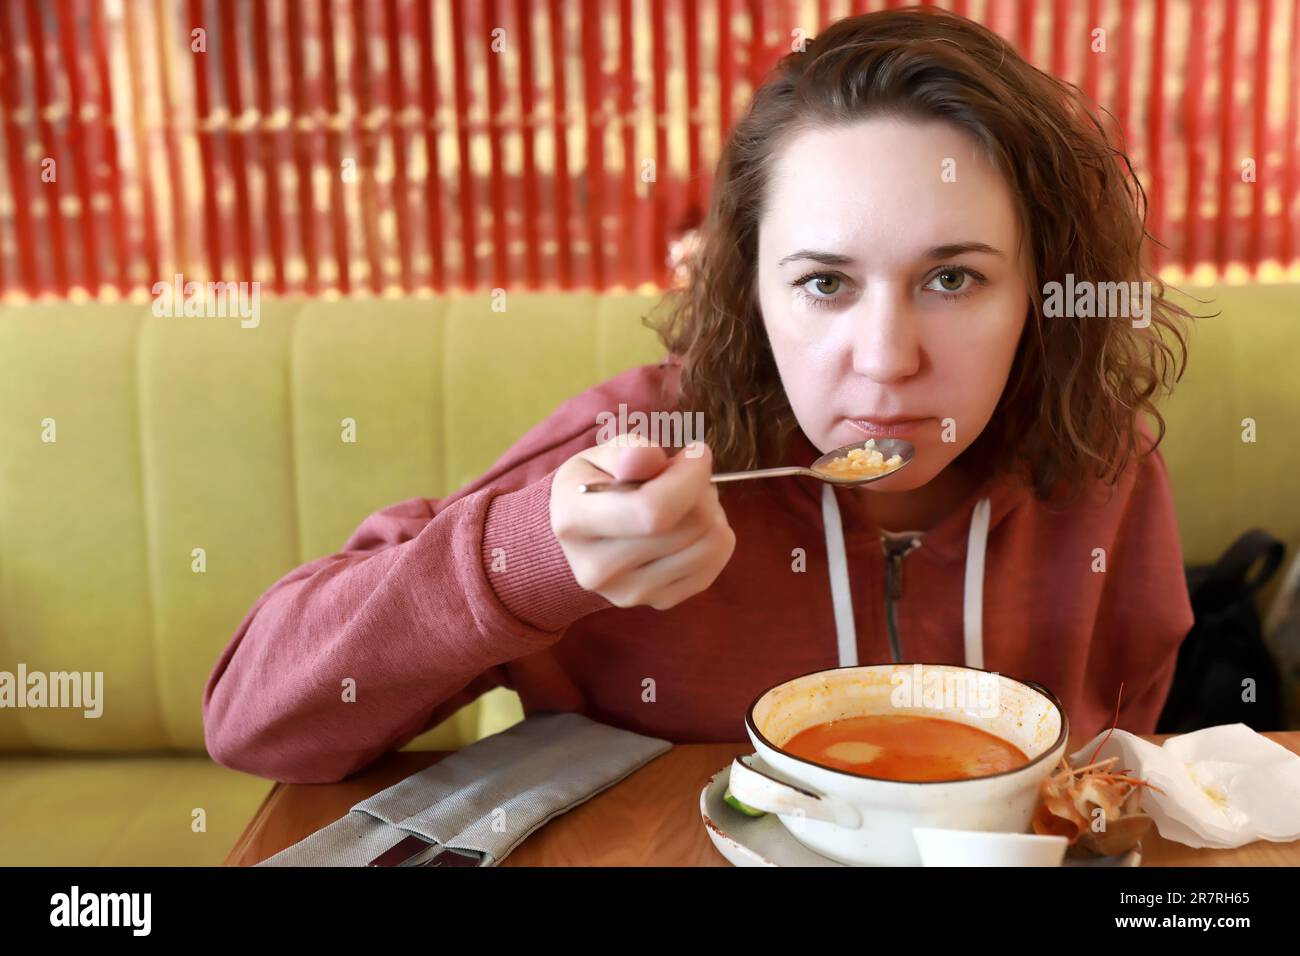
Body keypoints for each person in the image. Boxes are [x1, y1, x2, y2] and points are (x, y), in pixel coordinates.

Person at [204, 7, 1196, 784]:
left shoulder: (1103, 467)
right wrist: (526, 559)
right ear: (749, 290)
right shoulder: (633, 450)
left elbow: (1109, 769)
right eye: (823, 282)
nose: (887, 359)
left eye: (952, 278)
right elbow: (253, 721)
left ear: (1038, 290)